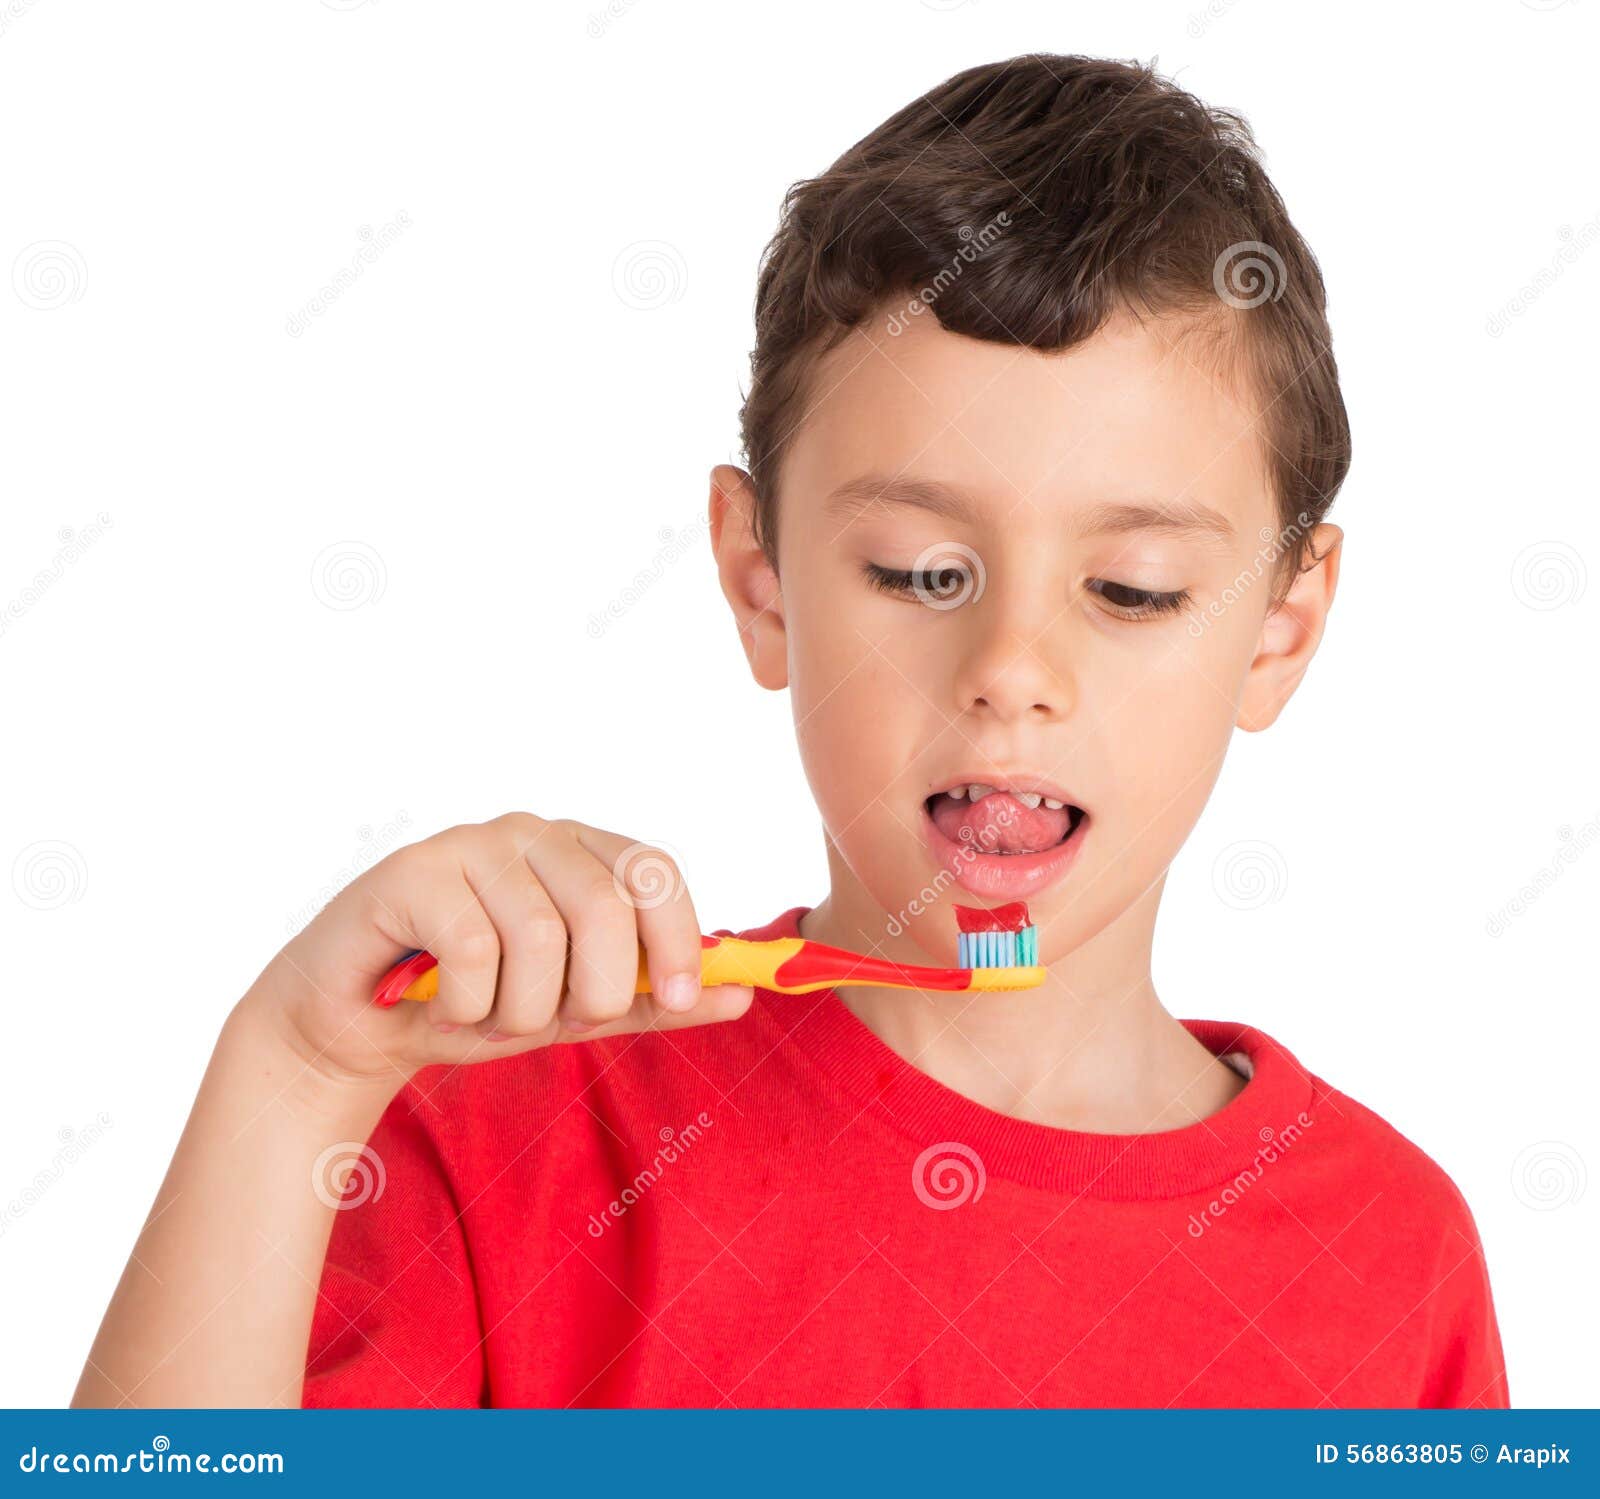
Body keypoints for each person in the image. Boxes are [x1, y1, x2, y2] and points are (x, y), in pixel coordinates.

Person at [75, 53, 1508, 1409]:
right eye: (915, 573)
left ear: (1281, 627)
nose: (1011, 669)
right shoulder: (508, 1142)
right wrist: (294, 1077)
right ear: (760, 582)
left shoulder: (1392, 1259)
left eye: (1132, 590)